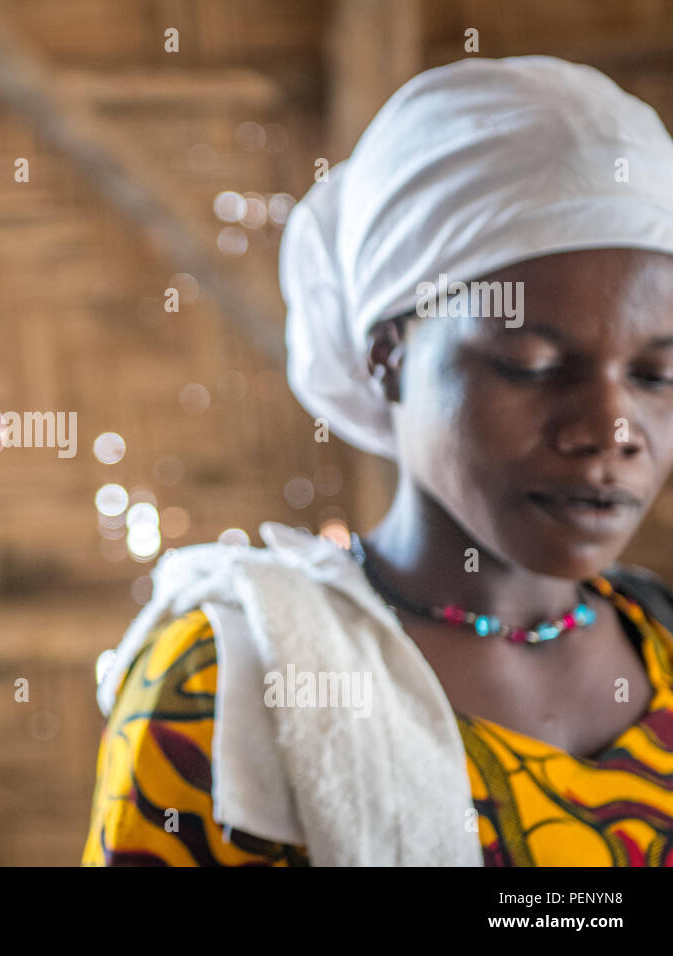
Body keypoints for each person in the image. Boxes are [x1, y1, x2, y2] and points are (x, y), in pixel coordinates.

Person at [84, 55, 673, 866]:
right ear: (389, 356)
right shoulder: (227, 686)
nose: (612, 429)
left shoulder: (664, 650)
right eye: (533, 365)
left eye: (656, 376)